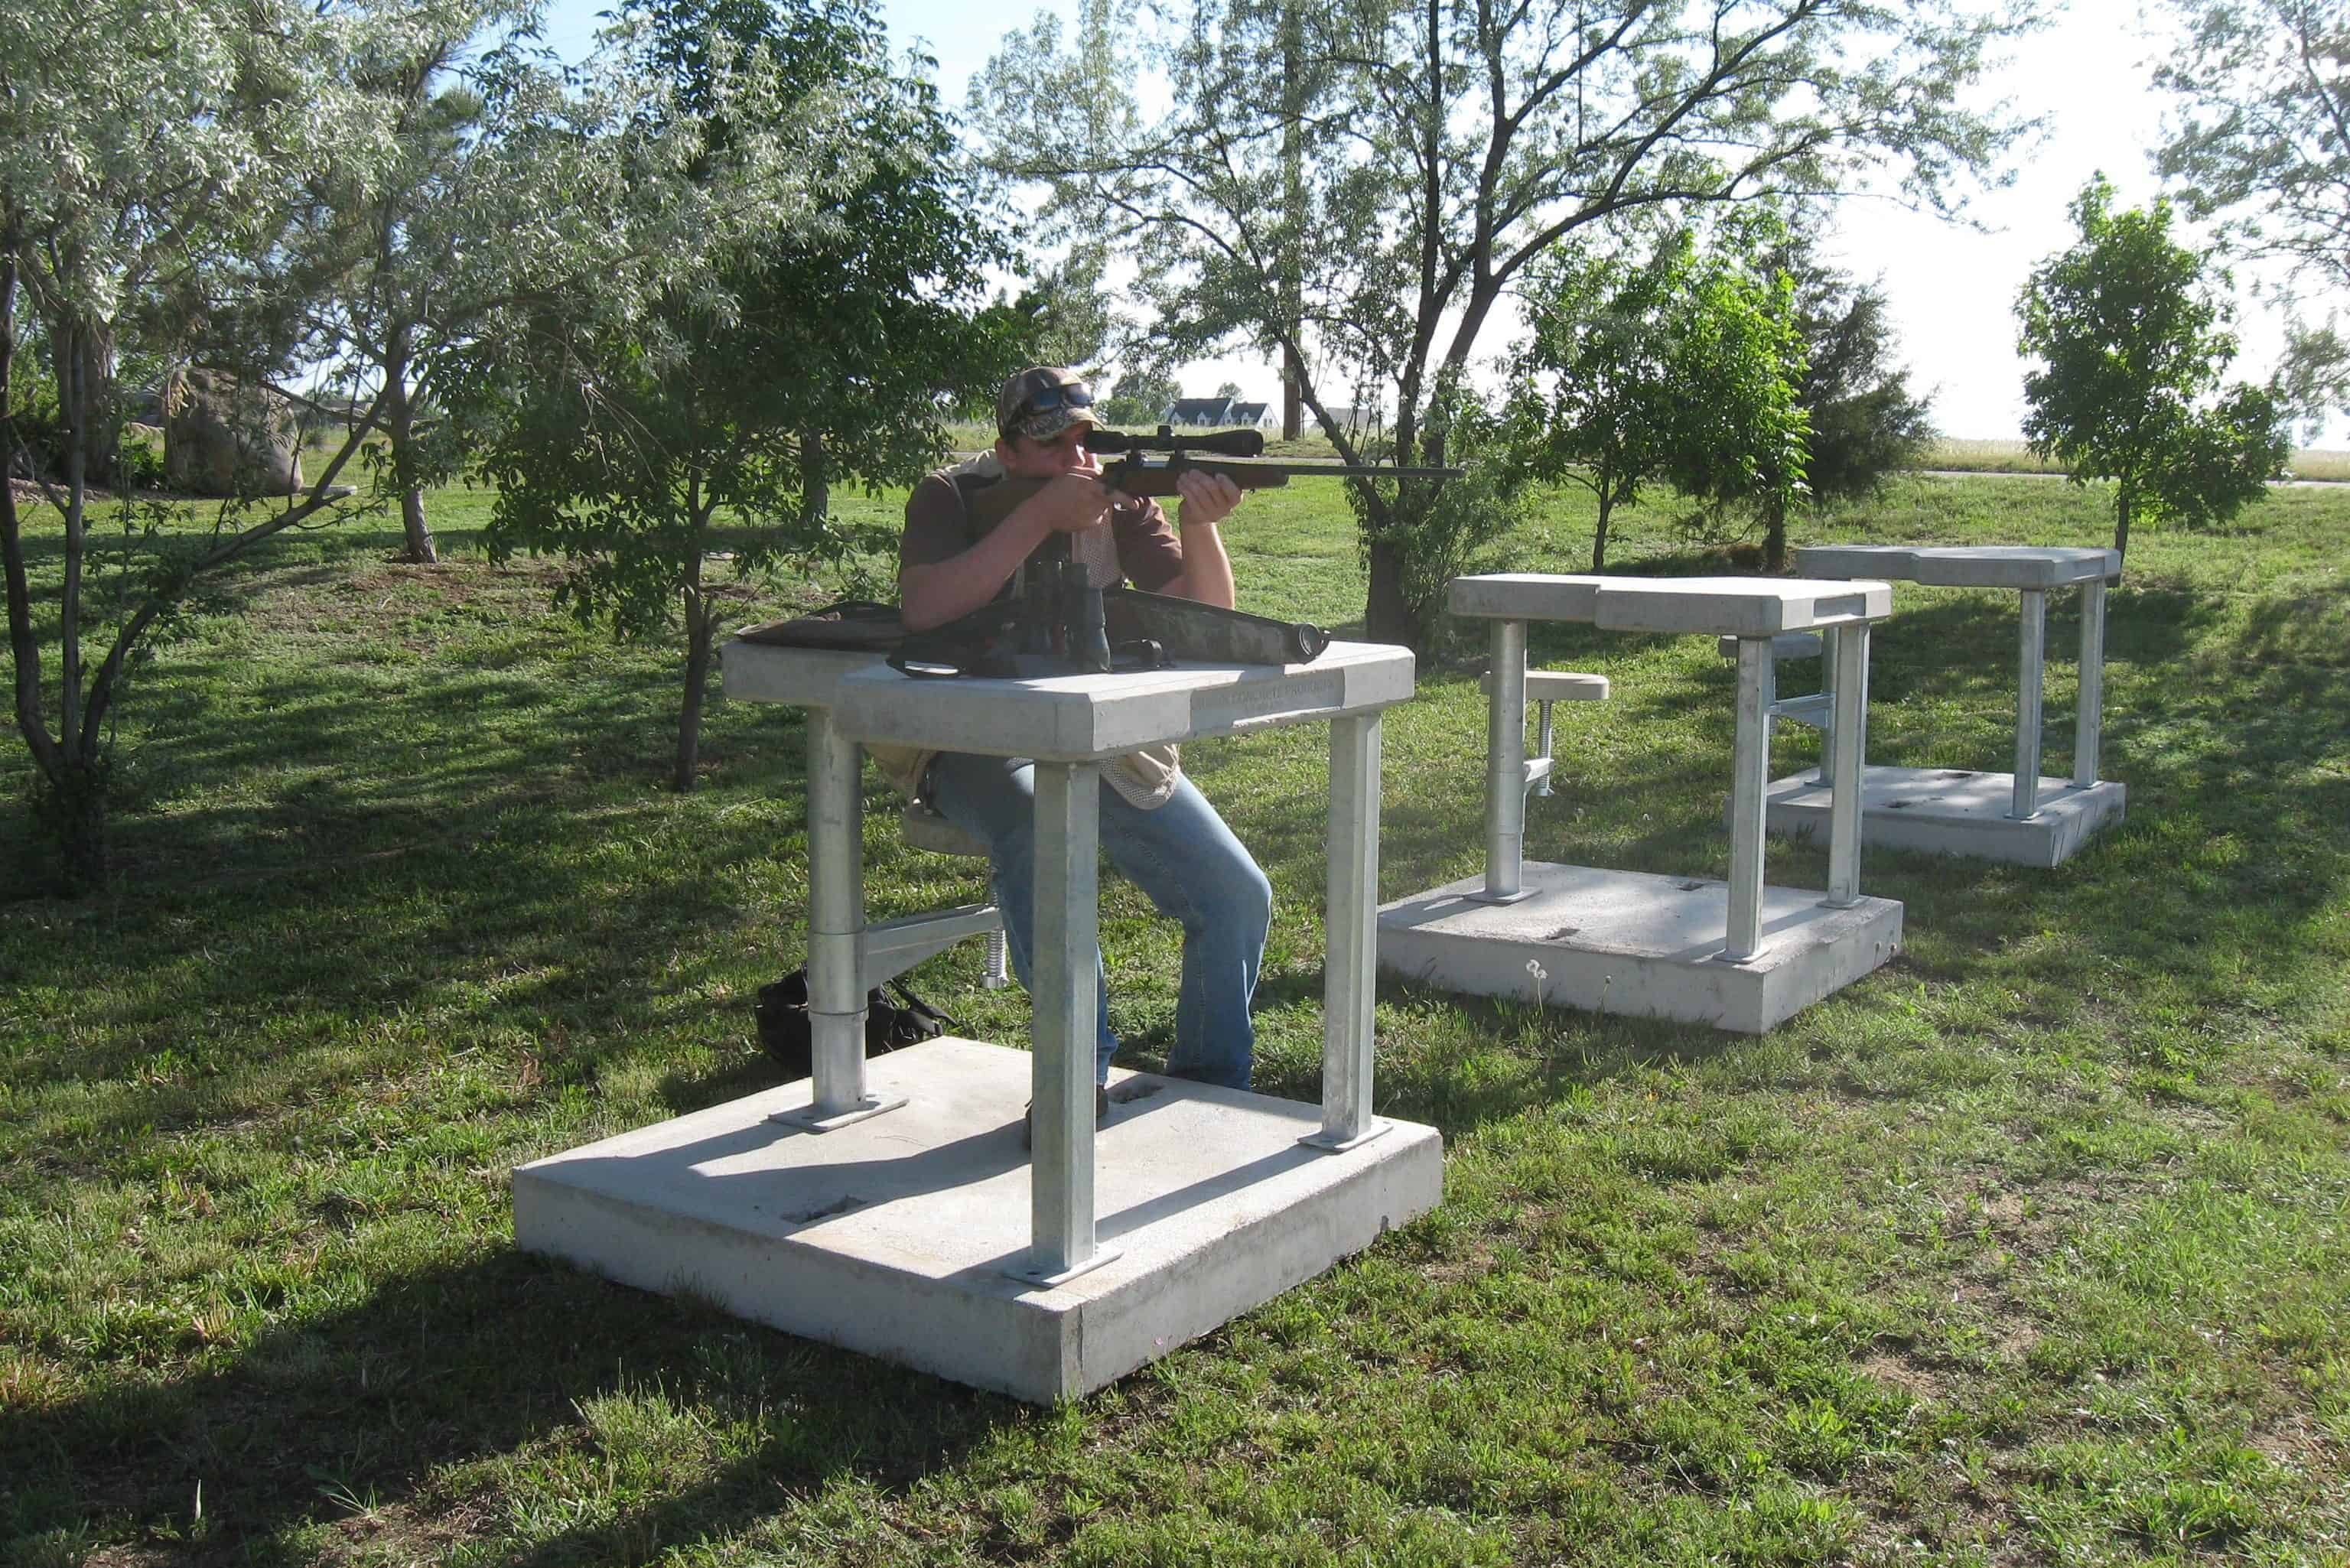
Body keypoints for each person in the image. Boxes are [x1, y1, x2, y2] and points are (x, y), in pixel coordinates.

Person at [888, 366, 1273, 1098]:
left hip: (1101, 741)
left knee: (1235, 895)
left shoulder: (1119, 501)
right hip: (968, 737)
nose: (1075, 461)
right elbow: (925, 609)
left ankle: (1213, 1089)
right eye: (1051, 446)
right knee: (1041, 826)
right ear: (1006, 454)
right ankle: (1076, 1079)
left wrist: (1200, 526)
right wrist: (1036, 518)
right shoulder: (950, 494)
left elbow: (1211, 621)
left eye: (1084, 441)